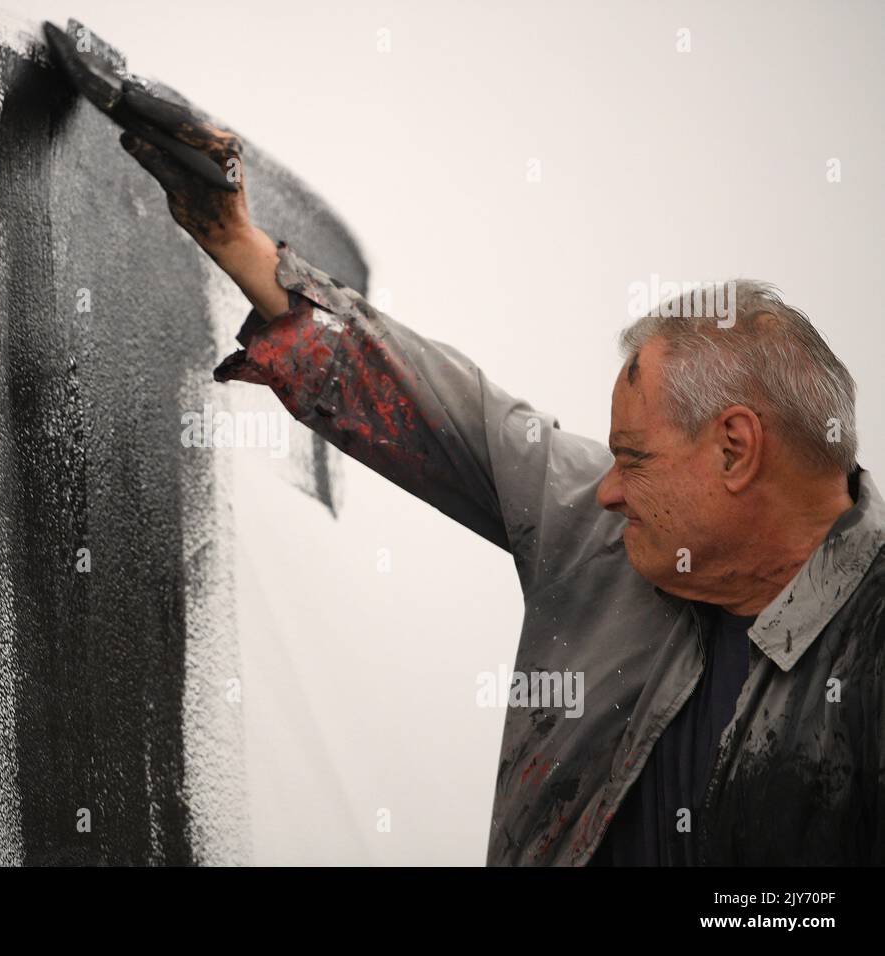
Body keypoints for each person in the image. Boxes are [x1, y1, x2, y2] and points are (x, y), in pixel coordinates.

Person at [116, 89, 885, 865]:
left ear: (734, 450)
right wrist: (237, 241)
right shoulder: (602, 526)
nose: (609, 492)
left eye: (636, 459)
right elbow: (441, 408)